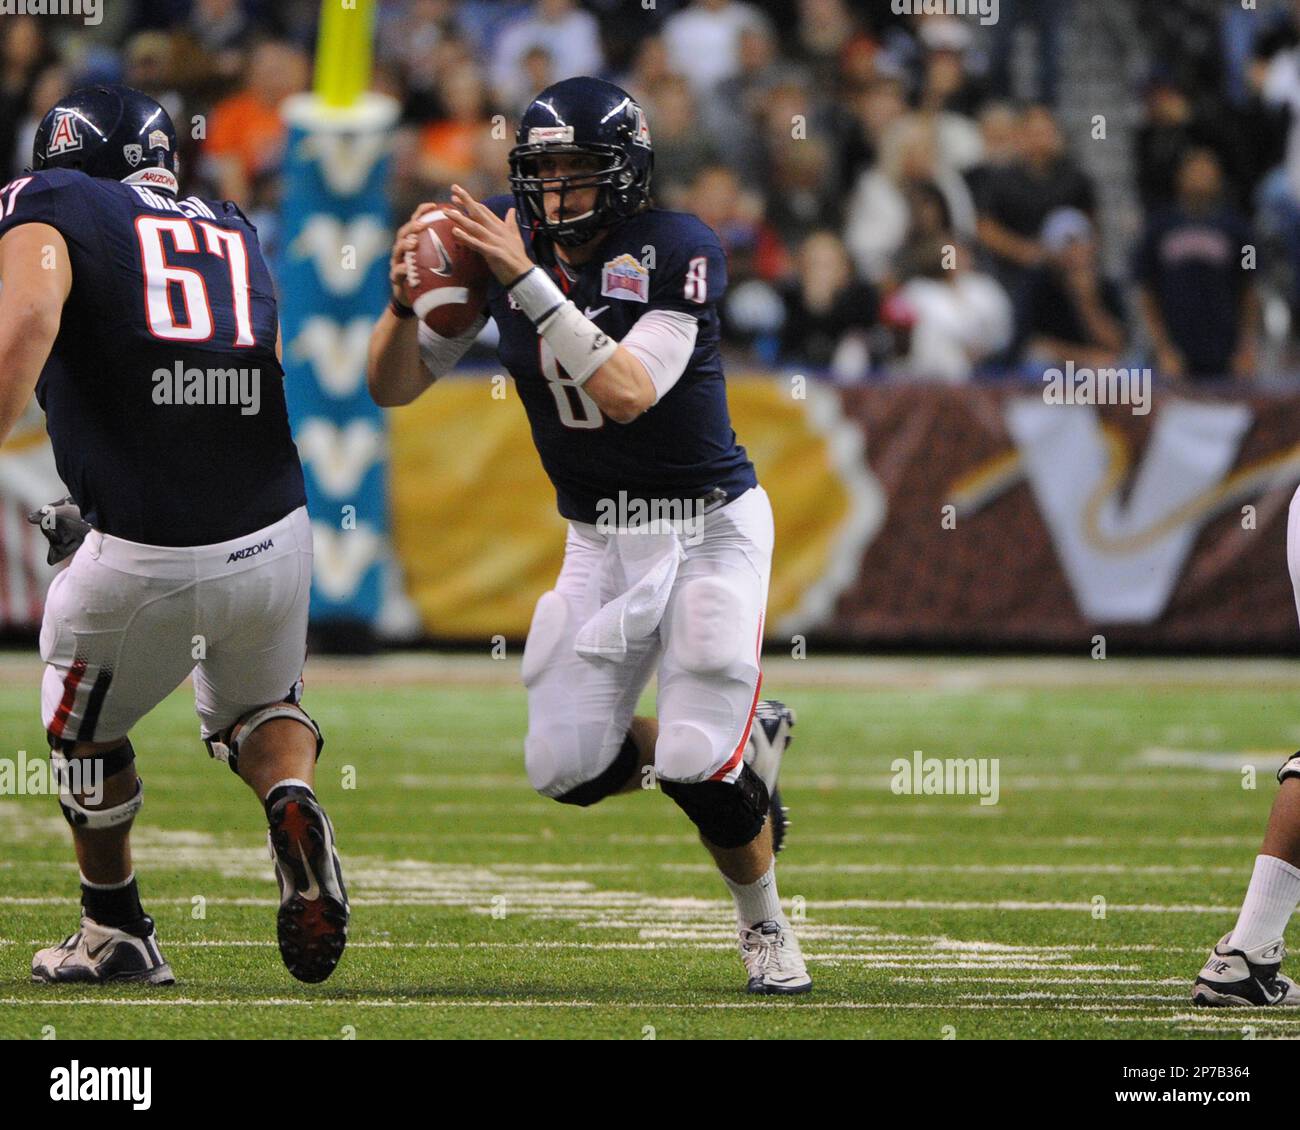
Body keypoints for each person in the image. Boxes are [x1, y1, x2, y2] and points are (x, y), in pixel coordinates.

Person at [367, 77, 810, 994]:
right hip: (598, 539)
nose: (556, 195)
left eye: (577, 174)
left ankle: (764, 924)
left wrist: (521, 281)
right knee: (565, 769)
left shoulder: (677, 244)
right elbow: (395, 386)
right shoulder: (499, 240)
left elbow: (628, 391)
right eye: (543, 174)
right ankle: (749, 742)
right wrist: (403, 299)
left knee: (695, 766)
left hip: (706, 528)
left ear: (628, 175)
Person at [0, 86, 347, 986]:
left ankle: (113, 928)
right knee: (258, 707)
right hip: (275, 533)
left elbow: (30, 319)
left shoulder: (54, 201)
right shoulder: (232, 225)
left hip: (146, 557)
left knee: (79, 733)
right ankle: (292, 796)